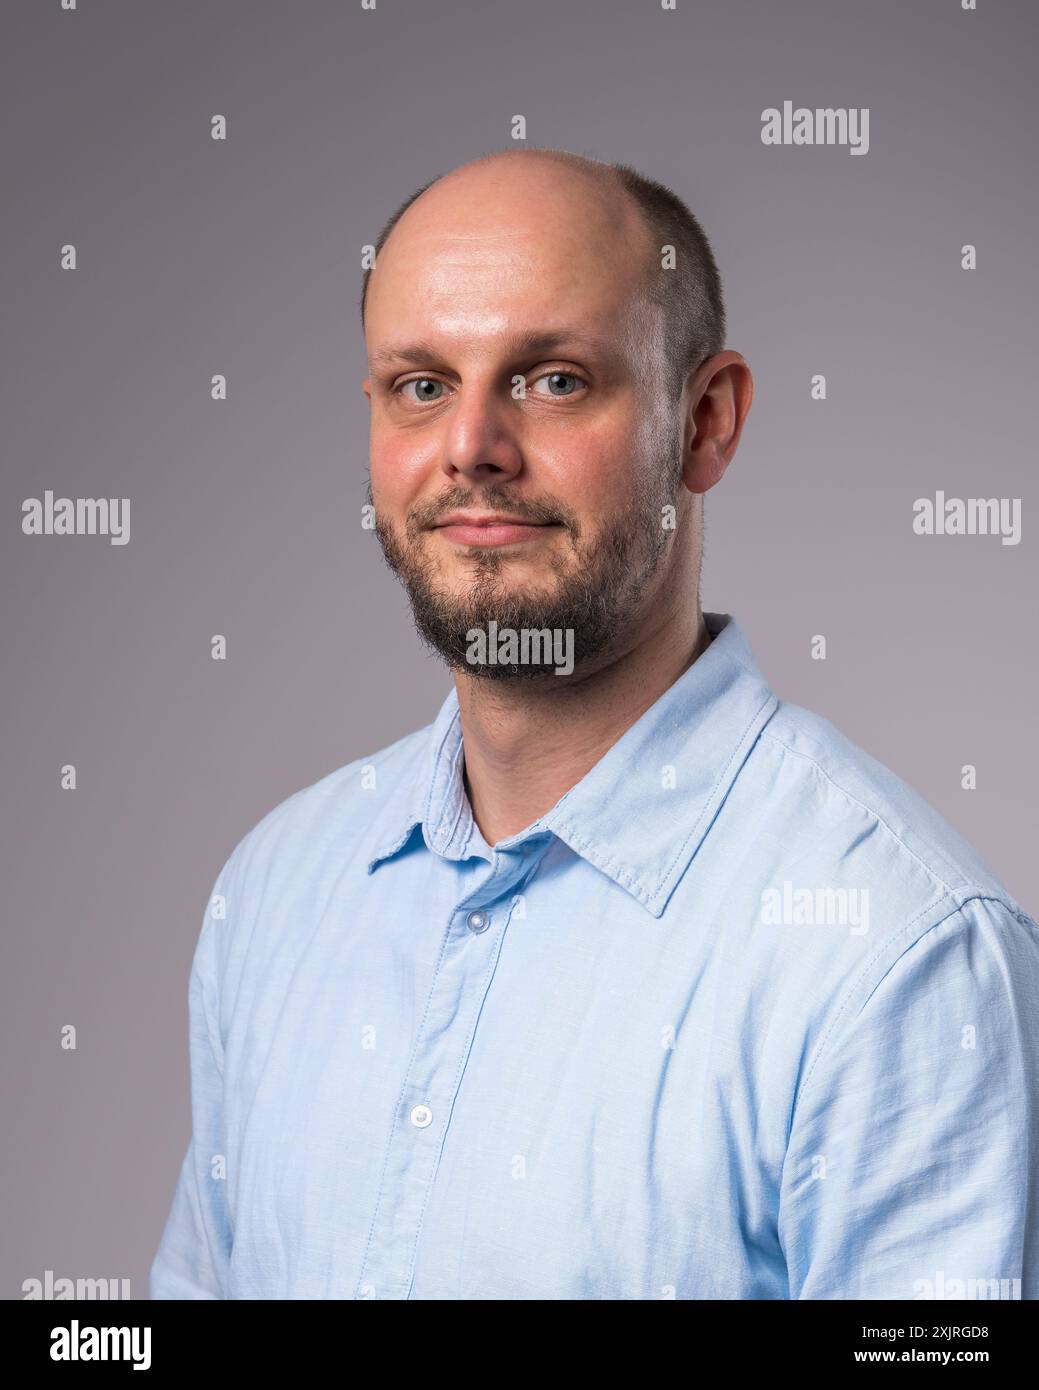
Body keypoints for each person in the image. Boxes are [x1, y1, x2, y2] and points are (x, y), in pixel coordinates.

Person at [150, 147, 1039, 1300]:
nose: (471, 444)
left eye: (553, 378)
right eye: (421, 385)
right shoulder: (276, 892)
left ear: (705, 422)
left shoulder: (901, 959)